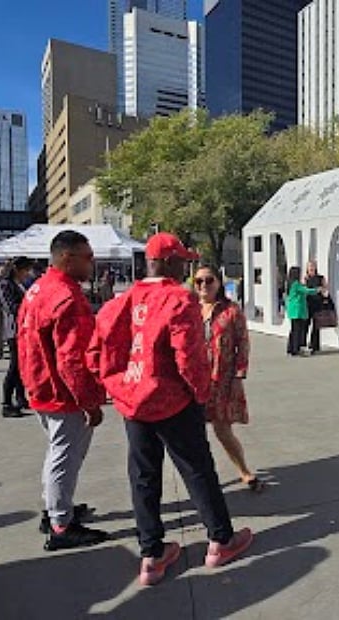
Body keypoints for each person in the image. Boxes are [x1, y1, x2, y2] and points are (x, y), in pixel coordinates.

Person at [88, 233, 253, 587]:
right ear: (168, 262)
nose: (187, 270)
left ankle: (151, 555)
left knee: (143, 476)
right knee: (197, 470)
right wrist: (201, 393)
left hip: (134, 401)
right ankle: (221, 540)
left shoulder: (122, 300)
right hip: (173, 400)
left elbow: (95, 351)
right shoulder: (179, 299)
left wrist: (115, 387)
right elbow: (189, 357)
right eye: (182, 262)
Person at [17, 232, 109, 551]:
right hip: (61, 392)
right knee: (65, 457)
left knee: (57, 453)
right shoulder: (67, 297)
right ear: (67, 258)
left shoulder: (38, 288)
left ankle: (55, 508)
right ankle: (61, 524)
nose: (92, 263)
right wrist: (89, 401)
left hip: (40, 385)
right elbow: (72, 358)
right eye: (88, 257)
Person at [194, 264, 264, 491]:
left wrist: (238, 375)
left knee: (222, 429)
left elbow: (243, 344)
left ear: (218, 282)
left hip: (221, 379)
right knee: (193, 433)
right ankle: (204, 478)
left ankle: (244, 471)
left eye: (209, 280)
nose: (204, 285)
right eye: (198, 281)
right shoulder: (189, 309)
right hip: (193, 380)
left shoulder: (231, 310)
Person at [1, 257, 34, 417]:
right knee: (14, 367)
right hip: (13, 329)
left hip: (23, 328)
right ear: (17, 270)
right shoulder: (5, 285)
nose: (28, 274)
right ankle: (6, 403)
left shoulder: (19, 284)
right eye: (26, 270)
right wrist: (29, 306)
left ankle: (20, 397)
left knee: (21, 366)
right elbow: (10, 307)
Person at [285, 266, 320, 357]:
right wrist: (317, 290)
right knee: (298, 331)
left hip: (292, 310)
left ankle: (290, 348)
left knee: (293, 330)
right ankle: (296, 349)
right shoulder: (296, 284)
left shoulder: (290, 283)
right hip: (297, 310)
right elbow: (306, 291)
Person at [304, 260, 328, 354]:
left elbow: (325, 288)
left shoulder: (321, 278)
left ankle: (315, 345)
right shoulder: (305, 278)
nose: (311, 268)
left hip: (318, 304)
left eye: (313, 266)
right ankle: (303, 344)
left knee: (316, 325)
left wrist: (322, 290)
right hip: (308, 303)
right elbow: (303, 290)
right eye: (309, 266)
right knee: (306, 324)